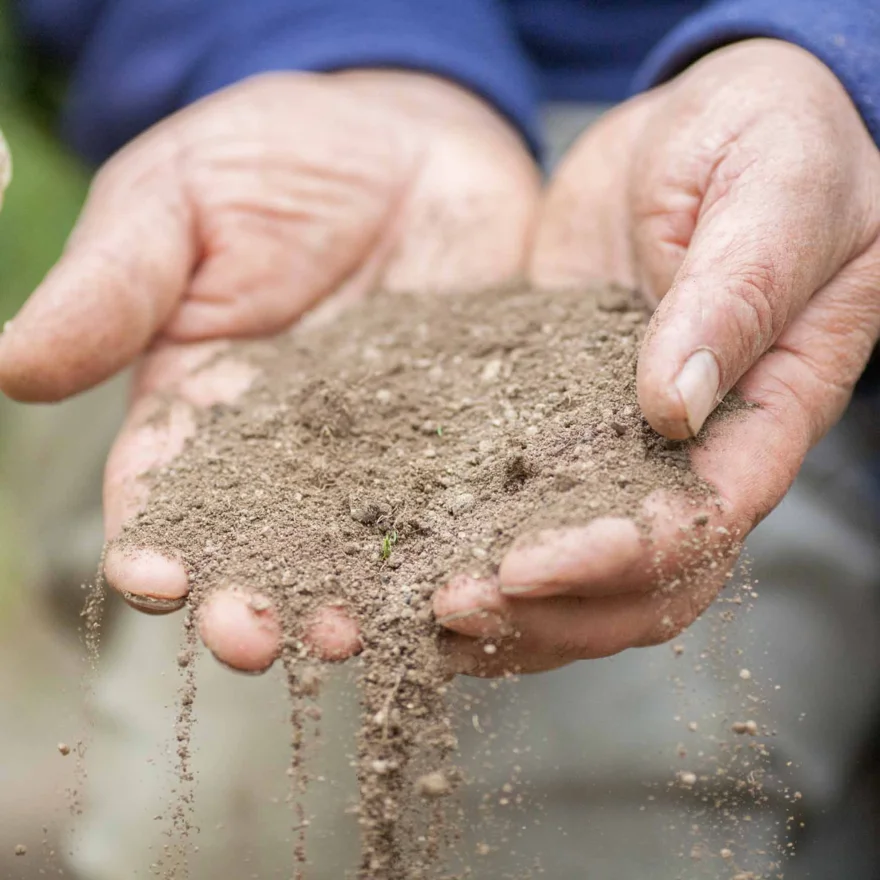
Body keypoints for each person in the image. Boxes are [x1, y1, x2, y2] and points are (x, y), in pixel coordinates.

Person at [2, 1, 879, 876]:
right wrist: (328, 49)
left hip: (768, 125)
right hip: (426, 136)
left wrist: (837, 66)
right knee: (280, 815)